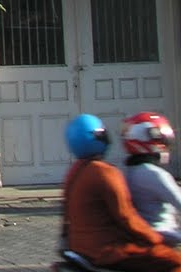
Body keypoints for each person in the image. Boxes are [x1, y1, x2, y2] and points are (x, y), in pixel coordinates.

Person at [62, 113, 181, 272]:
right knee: (175, 262)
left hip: (78, 247)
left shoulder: (75, 172)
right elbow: (126, 217)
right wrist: (154, 238)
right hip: (107, 250)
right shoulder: (106, 173)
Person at [124, 112, 181, 245]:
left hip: (143, 237)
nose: (165, 147)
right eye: (161, 141)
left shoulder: (131, 172)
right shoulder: (155, 174)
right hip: (164, 237)